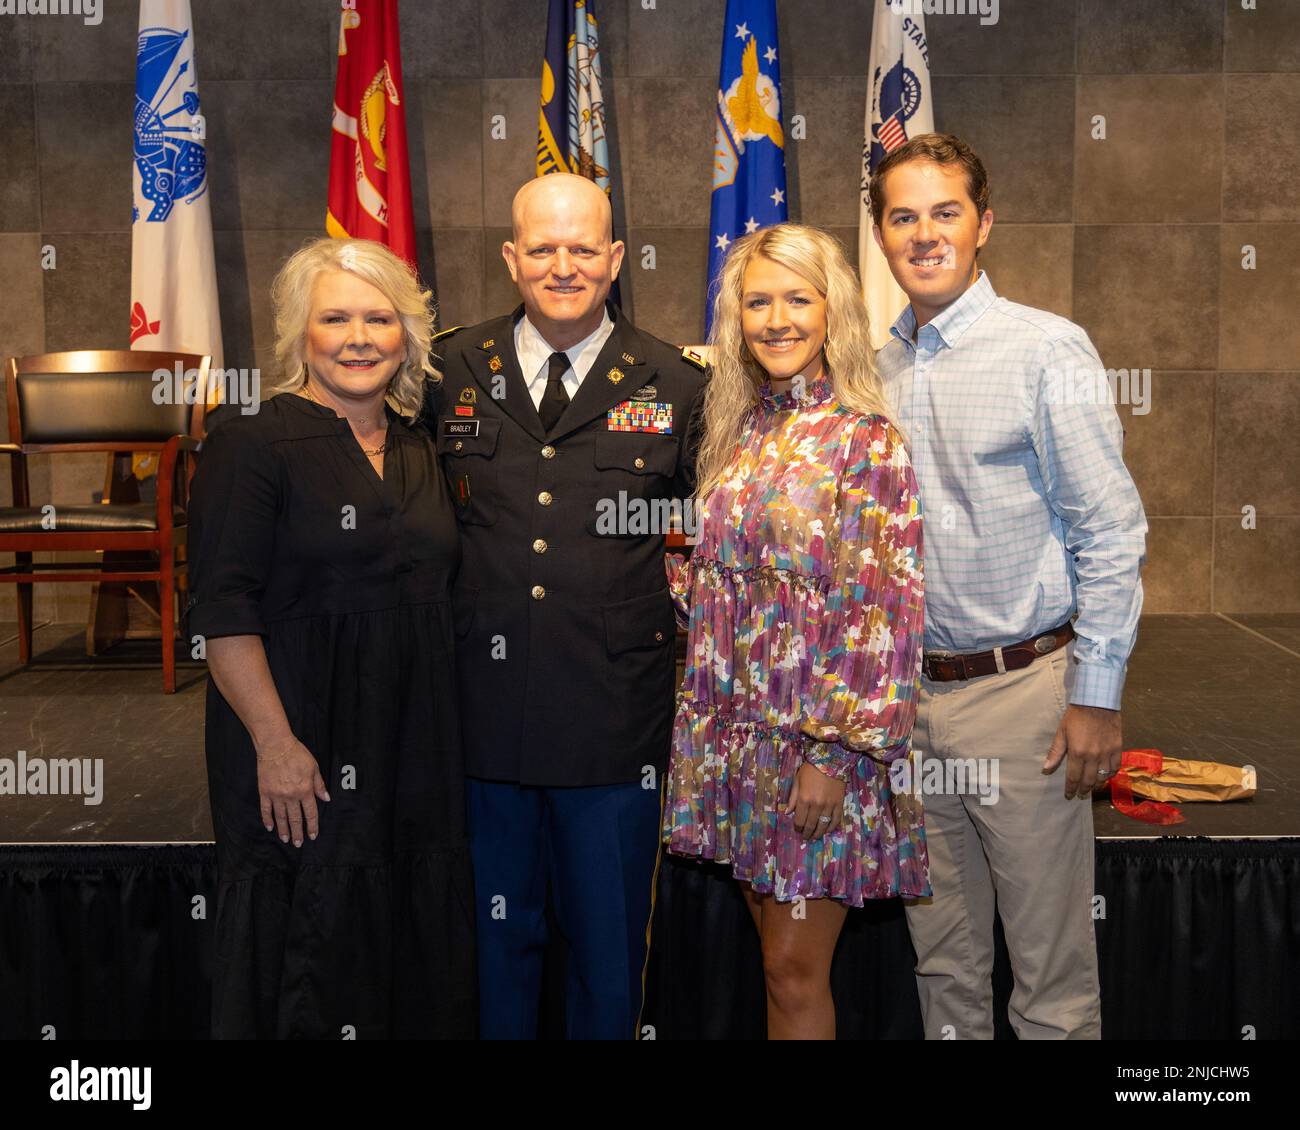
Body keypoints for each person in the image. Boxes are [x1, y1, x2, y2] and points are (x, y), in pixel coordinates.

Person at [870, 133, 1148, 1039]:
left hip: (1023, 701)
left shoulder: (1045, 350)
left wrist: (1097, 697)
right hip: (908, 706)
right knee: (944, 964)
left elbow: (1111, 530)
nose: (924, 234)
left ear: (983, 223)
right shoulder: (871, 370)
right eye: (903, 215)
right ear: (878, 234)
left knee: (1051, 984)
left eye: (944, 212)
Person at [424, 173, 706, 1040]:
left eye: (583, 248)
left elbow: (715, 535)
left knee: (608, 955)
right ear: (511, 258)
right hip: (483, 714)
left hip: (612, 719)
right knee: (495, 955)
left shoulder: (676, 380)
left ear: (615, 258)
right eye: (542, 248)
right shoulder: (446, 368)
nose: (563, 265)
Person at [187, 236, 476, 1039]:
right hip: (301, 743)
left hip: (415, 743)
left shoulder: (421, 446)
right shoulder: (250, 442)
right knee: (306, 943)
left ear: (408, 334)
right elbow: (223, 611)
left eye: (380, 318)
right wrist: (275, 744)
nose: (359, 337)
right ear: (299, 334)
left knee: (407, 926)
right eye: (336, 318)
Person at [662, 222, 928, 1040]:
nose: (776, 320)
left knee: (792, 970)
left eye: (797, 300)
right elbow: (722, 586)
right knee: (775, 967)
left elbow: (881, 612)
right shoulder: (740, 431)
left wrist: (829, 756)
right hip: (734, 741)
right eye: (758, 302)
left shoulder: (865, 438)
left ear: (833, 312)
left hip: (815, 748)